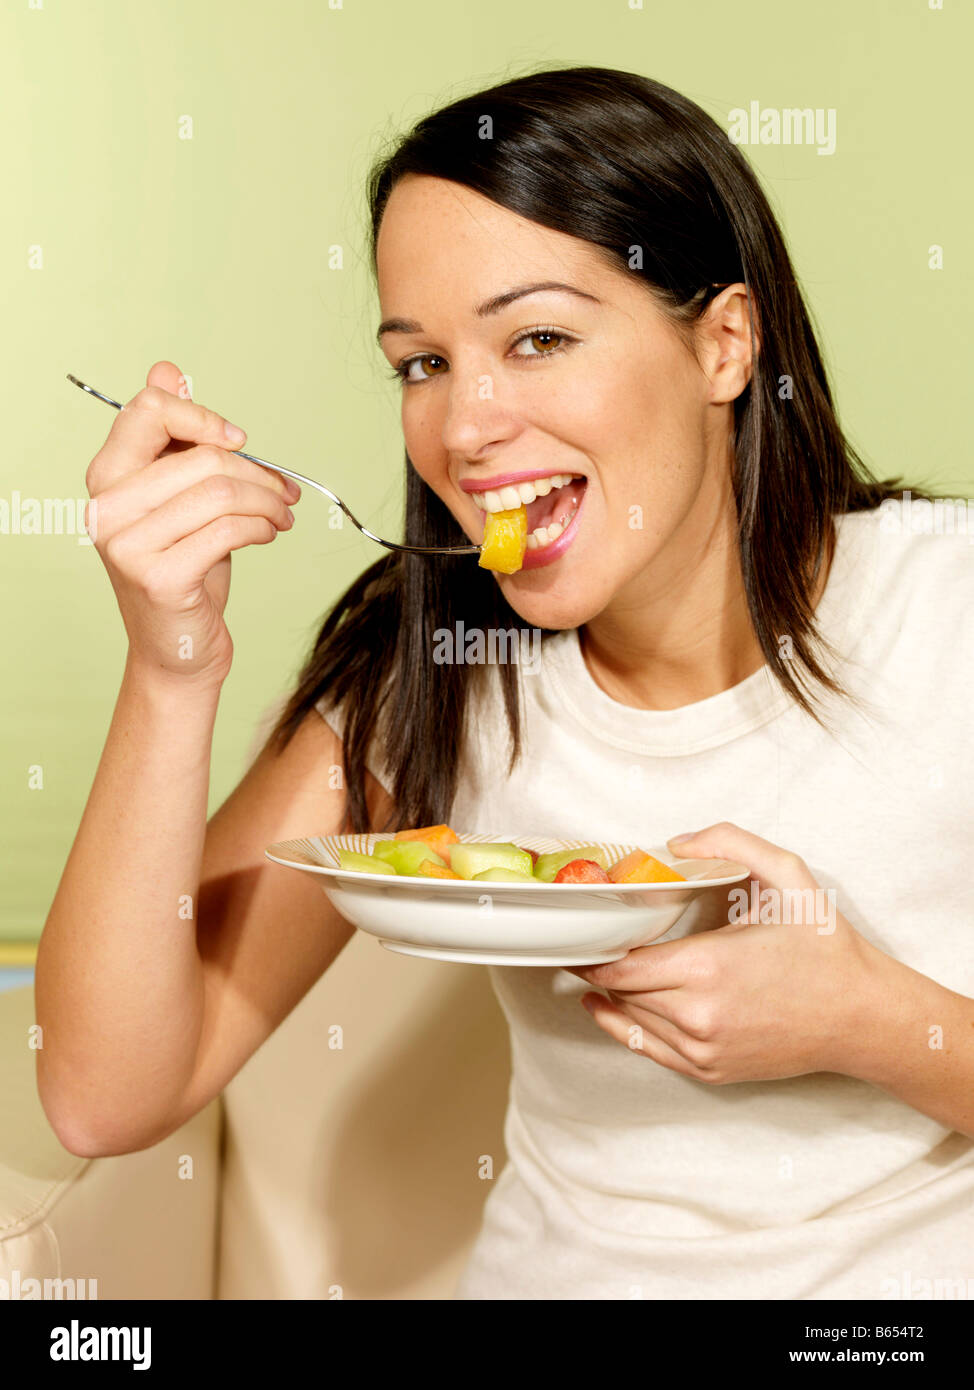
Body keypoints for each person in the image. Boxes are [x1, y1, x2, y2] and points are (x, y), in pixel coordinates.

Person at [36, 65, 974, 1300]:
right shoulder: (429, 676)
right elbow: (106, 1096)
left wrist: (867, 1019)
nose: (464, 428)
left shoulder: (943, 601)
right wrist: (170, 666)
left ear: (724, 345)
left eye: (535, 337)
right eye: (420, 362)